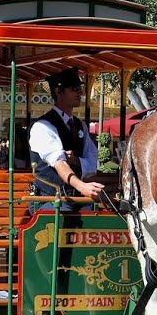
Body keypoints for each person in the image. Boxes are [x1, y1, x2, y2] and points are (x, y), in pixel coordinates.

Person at [28, 67, 104, 211]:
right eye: (75, 89)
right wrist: (82, 186)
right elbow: (59, 163)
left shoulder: (80, 125)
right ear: (58, 92)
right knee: (64, 215)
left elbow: (93, 162)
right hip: (48, 199)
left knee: (97, 215)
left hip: (76, 197)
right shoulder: (42, 126)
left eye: (80, 88)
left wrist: (77, 161)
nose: (80, 93)